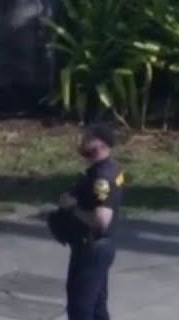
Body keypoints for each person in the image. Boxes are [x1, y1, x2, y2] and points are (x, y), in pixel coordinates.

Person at [57, 123, 125, 320]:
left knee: (80, 308)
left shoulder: (102, 178)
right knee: (97, 306)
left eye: (87, 139)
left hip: (92, 248)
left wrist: (72, 208)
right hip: (100, 247)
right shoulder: (113, 168)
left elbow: (101, 220)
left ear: (102, 144)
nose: (82, 143)